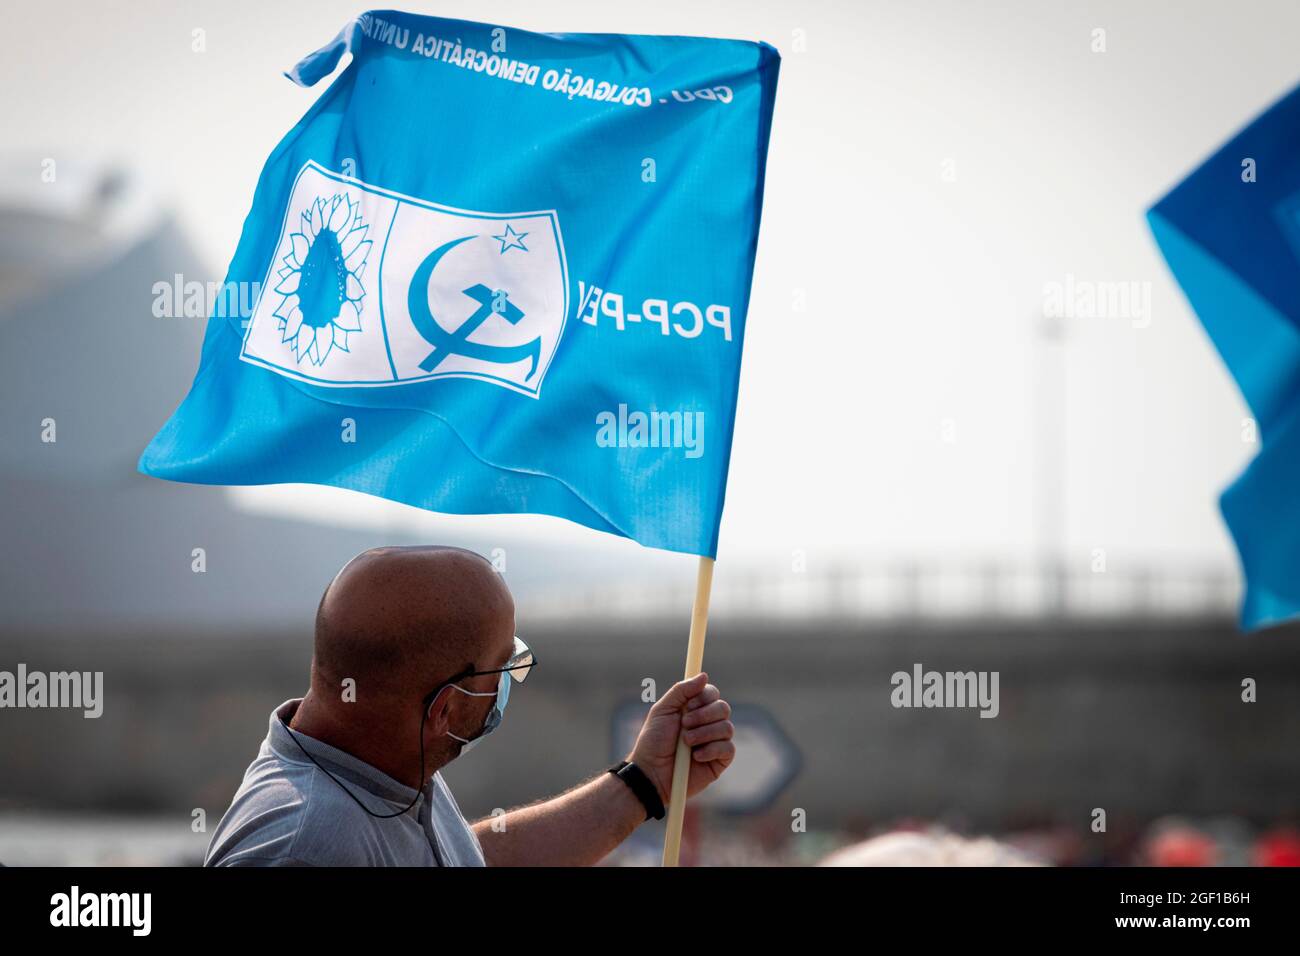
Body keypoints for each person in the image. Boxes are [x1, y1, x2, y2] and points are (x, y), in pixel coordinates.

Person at [205, 545, 735, 866]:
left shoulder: (380, 767)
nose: (509, 683)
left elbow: (471, 860)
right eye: (505, 668)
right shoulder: (303, 845)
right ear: (445, 709)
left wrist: (645, 783)